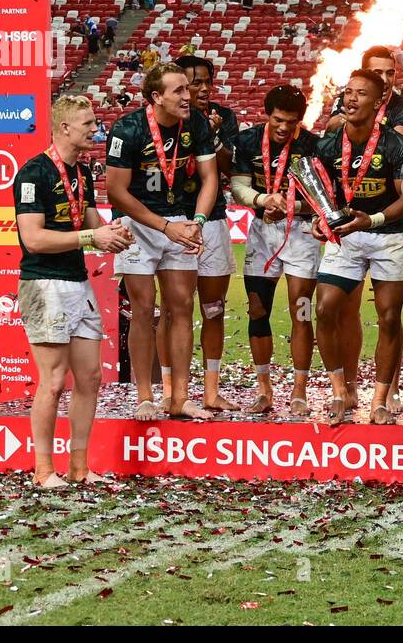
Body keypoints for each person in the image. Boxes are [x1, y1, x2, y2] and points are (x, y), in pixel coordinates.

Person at [14, 95, 133, 488]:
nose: (95, 130)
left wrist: (115, 234)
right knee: (52, 380)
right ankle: (43, 470)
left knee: (91, 376)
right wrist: (90, 236)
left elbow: (95, 224)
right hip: (44, 283)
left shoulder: (81, 173)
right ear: (65, 128)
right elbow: (33, 239)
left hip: (77, 282)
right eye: (88, 123)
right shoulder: (34, 173)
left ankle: (79, 466)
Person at [106, 62, 218, 422]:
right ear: (156, 97)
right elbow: (117, 192)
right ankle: (144, 396)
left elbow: (210, 177)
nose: (189, 96)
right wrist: (164, 228)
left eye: (188, 89)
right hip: (137, 224)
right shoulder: (127, 129)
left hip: (181, 222)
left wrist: (198, 222)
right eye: (179, 91)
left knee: (182, 306)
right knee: (143, 308)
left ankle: (180, 397)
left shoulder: (196, 123)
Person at [313, 69, 403, 426]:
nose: (352, 98)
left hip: (387, 235)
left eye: (361, 94)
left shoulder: (399, 145)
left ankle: (380, 399)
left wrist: (372, 220)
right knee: (325, 309)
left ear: (378, 103)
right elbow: (324, 193)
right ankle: (340, 392)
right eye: (348, 91)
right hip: (346, 235)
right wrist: (321, 217)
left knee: (388, 316)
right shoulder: (327, 144)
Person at [155, 57, 239, 412]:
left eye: (207, 83)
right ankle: (170, 390)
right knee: (173, 311)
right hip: (172, 221)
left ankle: (211, 389)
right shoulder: (162, 121)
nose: (201, 90)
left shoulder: (224, 117)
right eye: (192, 84)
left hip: (213, 219)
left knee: (213, 309)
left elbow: (229, 168)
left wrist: (213, 133)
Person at [231, 85, 322, 415]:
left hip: (300, 233)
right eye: (278, 120)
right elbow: (238, 185)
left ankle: (300, 390)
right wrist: (261, 200)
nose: (284, 127)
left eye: (291, 122)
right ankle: (265, 389)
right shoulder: (248, 141)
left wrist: (291, 206)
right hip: (262, 230)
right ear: (266, 114)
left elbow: (321, 197)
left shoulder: (312, 145)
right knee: (257, 310)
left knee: (301, 310)